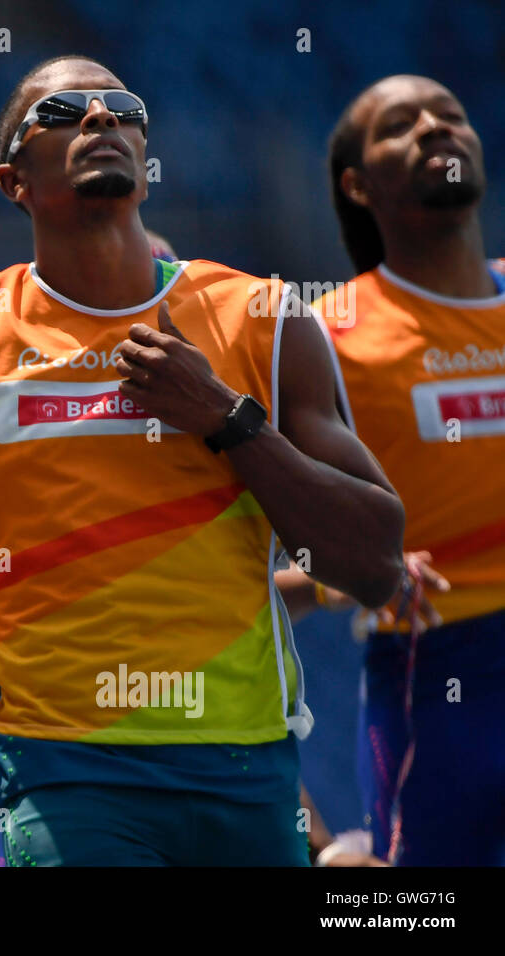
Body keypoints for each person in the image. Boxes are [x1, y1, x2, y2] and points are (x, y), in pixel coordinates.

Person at [0, 54, 405, 866]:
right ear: (15, 180)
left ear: (146, 154)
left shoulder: (263, 317)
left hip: (247, 767)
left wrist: (224, 418)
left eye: (122, 107)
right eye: (65, 110)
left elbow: (377, 564)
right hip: (62, 768)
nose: (102, 118)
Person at [276, 74, 505, 866]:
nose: (438, 129)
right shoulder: (323, 338)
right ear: (357, 184)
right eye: (403, 125)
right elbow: (257, 566)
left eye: (452, 114)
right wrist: (359, 575)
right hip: (438, 676)